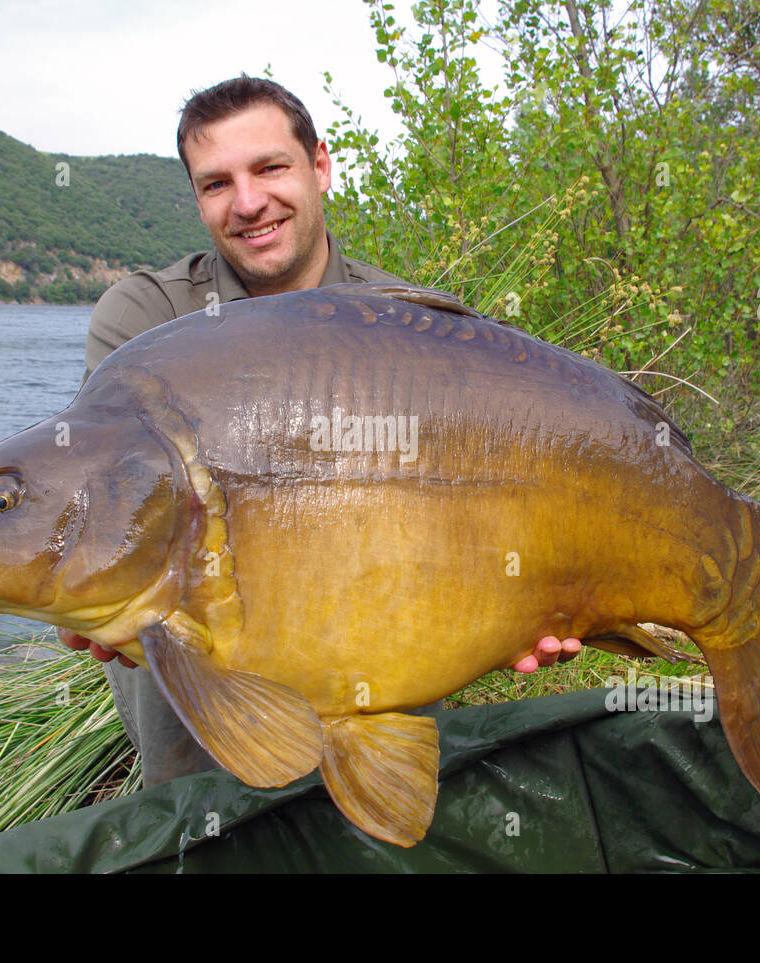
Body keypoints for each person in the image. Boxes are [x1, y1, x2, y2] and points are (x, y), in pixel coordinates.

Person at [60, 75, 581, 788]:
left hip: (380, 613)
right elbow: (106, 500)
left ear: (320, 166)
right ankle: (204, 820)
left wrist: (535, 597)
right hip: (216, 645)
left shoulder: (404, 324)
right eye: (217, 183)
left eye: (270, 168)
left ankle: (369, 796)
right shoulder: (144, 319)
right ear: (198, 199)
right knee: (171, 622)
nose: (248, 203)